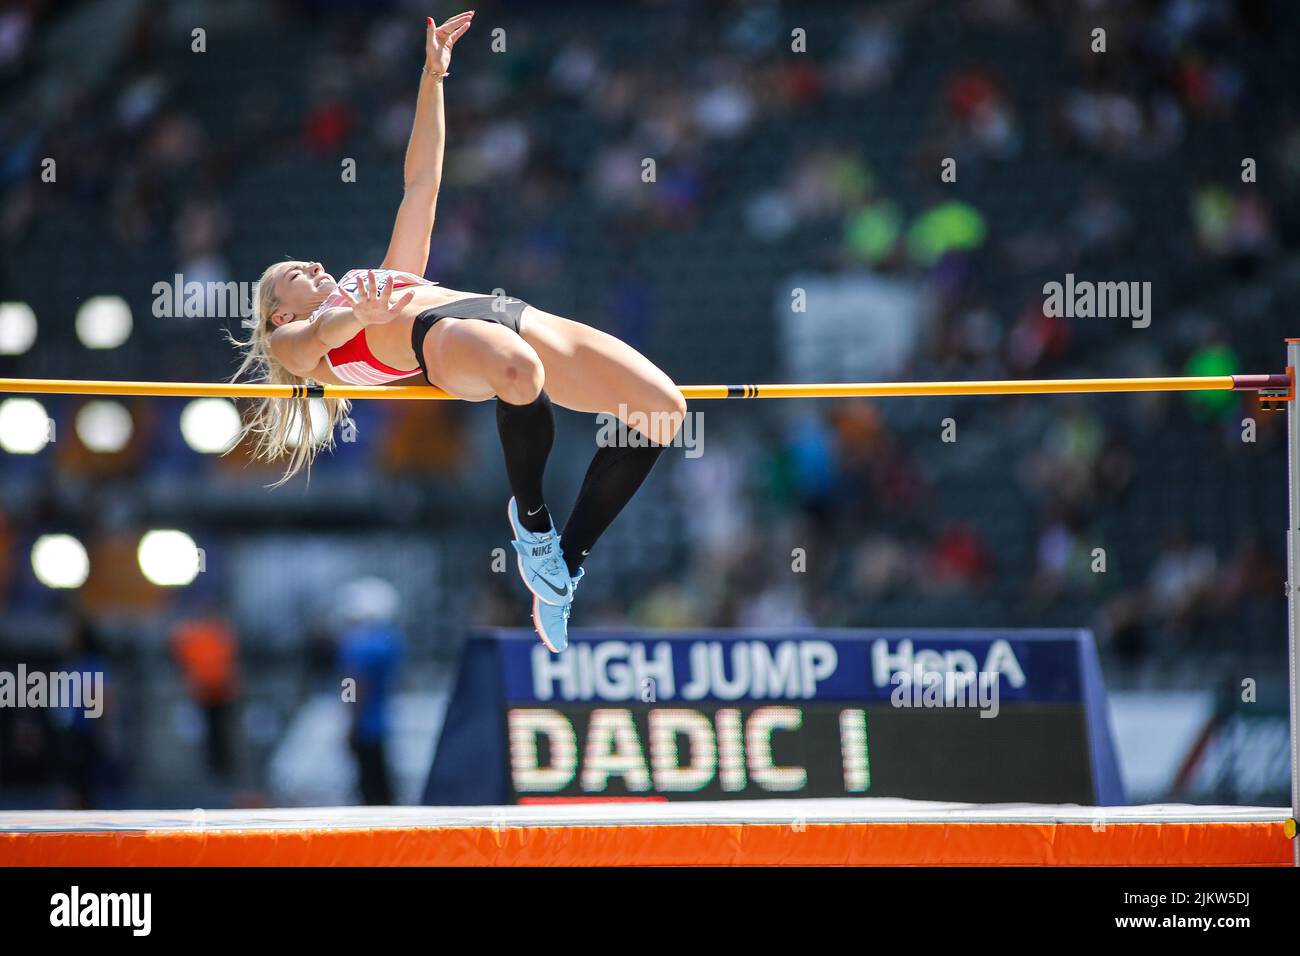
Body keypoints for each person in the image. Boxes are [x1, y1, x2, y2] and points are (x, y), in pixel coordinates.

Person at [230, 12, 686, 652]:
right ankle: (531, 523)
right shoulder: (296, 344)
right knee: (518, 373)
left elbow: (423, 178)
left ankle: (561, 566)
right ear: (280, 312)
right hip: (438, 344)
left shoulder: (388, 276)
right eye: (291, 277)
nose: (308, 265)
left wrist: (432, 76)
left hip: (503, 312)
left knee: (665, 411)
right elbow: (325, 337)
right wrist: (358, 307)